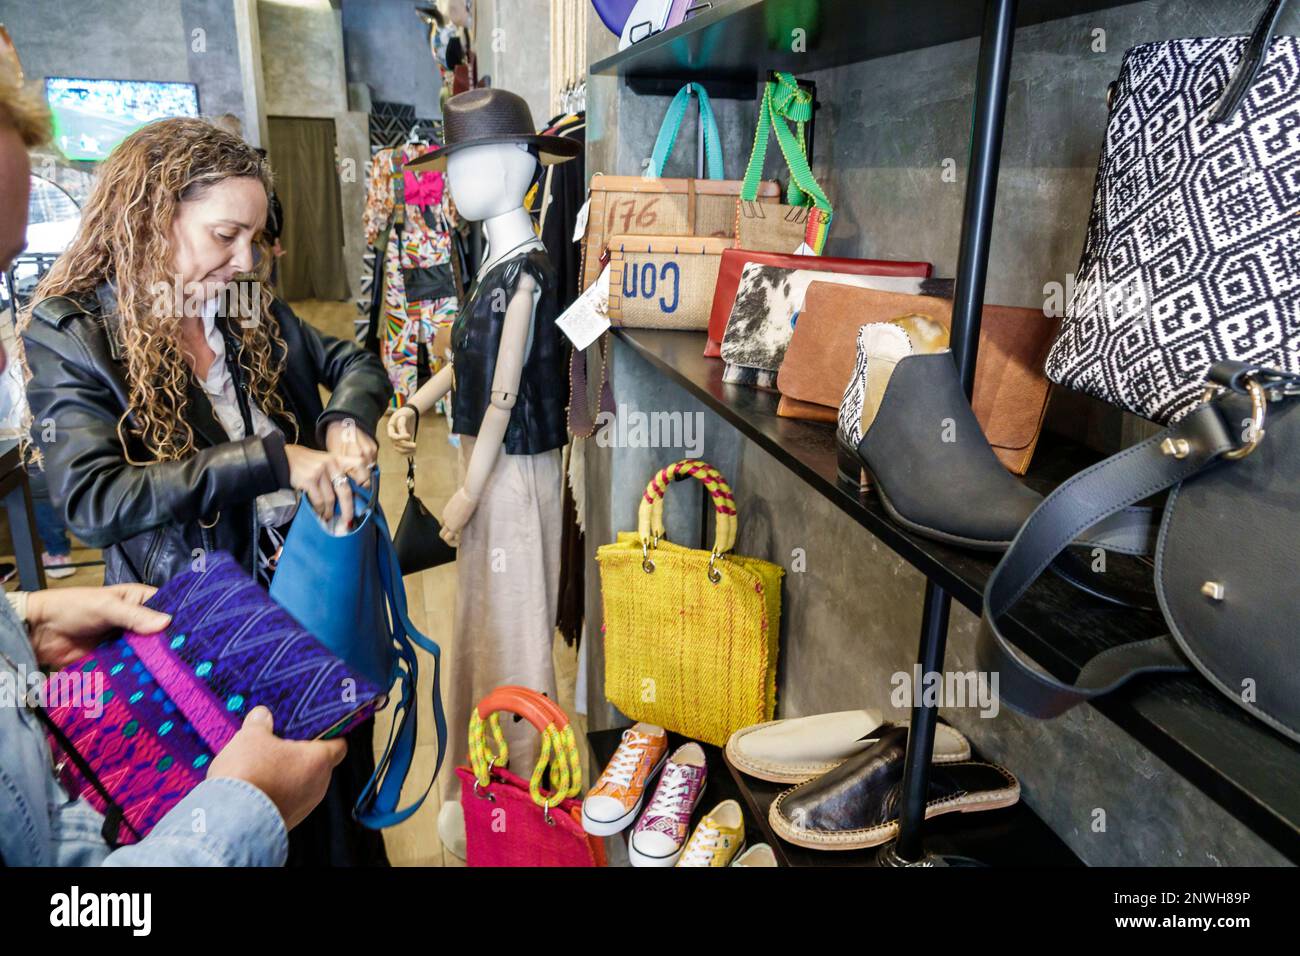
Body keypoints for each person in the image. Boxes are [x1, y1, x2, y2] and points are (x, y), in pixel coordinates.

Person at [0, 43, 344, 867]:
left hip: (294, 600)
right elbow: (92, 498)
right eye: (225, 235)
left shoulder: (239, 299)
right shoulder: (73, 326)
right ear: (153, 217)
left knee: (324, 801)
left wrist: (344, 421)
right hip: (188, 622)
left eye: (254, 240)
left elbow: (346, 361)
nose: (247, 262)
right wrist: (271, 458)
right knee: (220, 802)